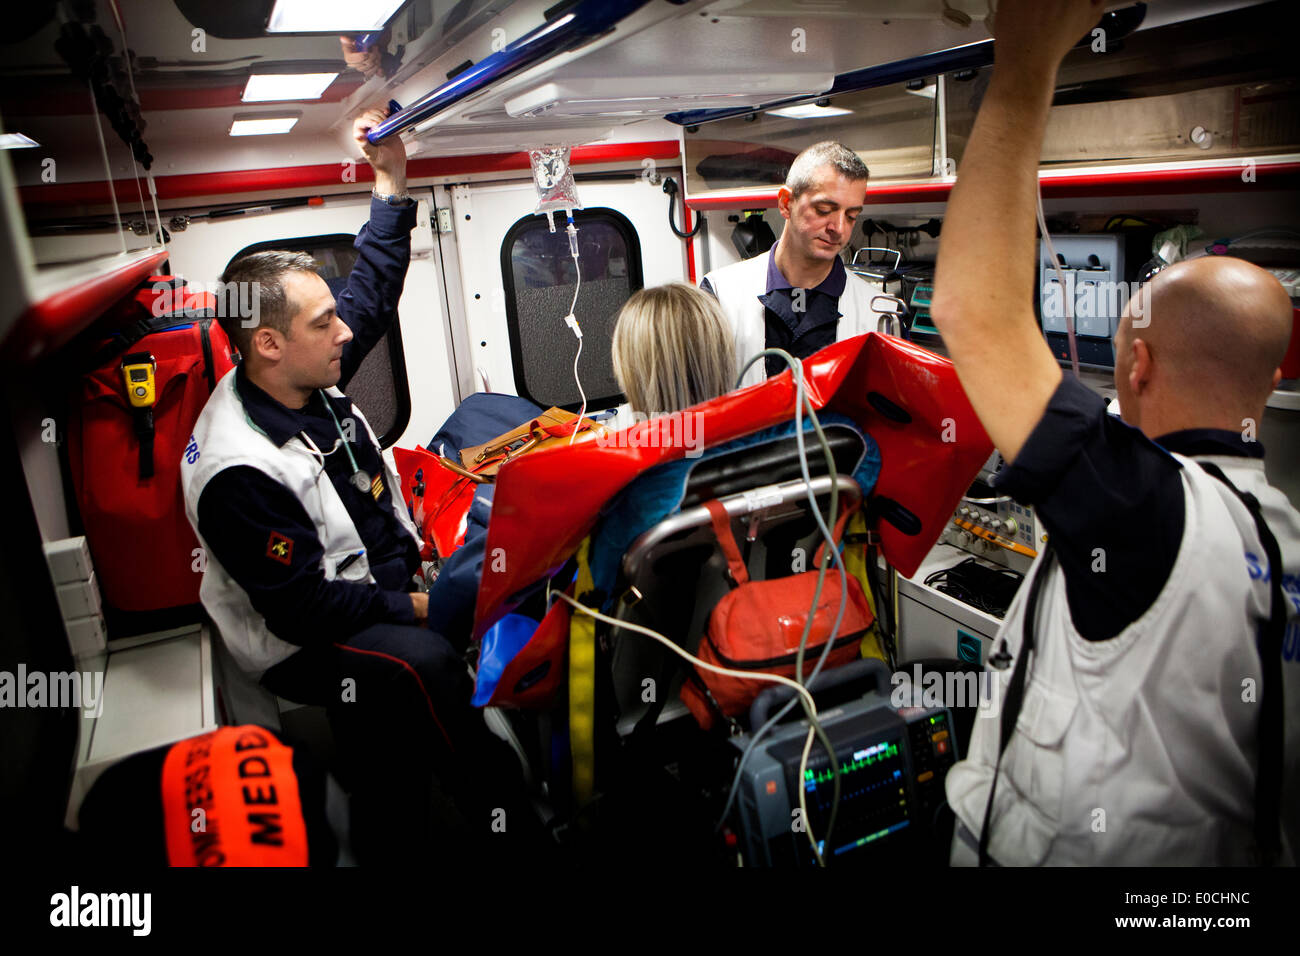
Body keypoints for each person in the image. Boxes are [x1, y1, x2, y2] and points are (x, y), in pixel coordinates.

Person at [930, 0, 1299, 865]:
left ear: (1135, 367)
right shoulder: (1277, 530)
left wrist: (1026, 55)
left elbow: (970, 311)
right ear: (1270, 380)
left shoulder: (1144, 511)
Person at [180, 106, 533, 864]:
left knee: (389, 751)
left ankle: (400, 821)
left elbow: (370, 286)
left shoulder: (296, 373)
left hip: (374, 581)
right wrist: (418, 605)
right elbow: (305, 609)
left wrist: (388, 179)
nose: (348, 333)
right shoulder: (237, 469)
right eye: (324, 323)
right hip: (298, 638)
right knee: (428, 664)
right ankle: (511, 821)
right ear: (269, 343)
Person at [425, 282, 739, 639]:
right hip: (719, 625)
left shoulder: (608, 479)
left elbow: (472, 589)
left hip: (608, 641)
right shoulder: (750, 448)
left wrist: (431, 608)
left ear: (632, 368)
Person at [699, 141, 878, 388]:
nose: (839, 229)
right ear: (786, 203)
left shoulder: (879, 312)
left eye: (851, 217)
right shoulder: (721, 294)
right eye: (824, 210)